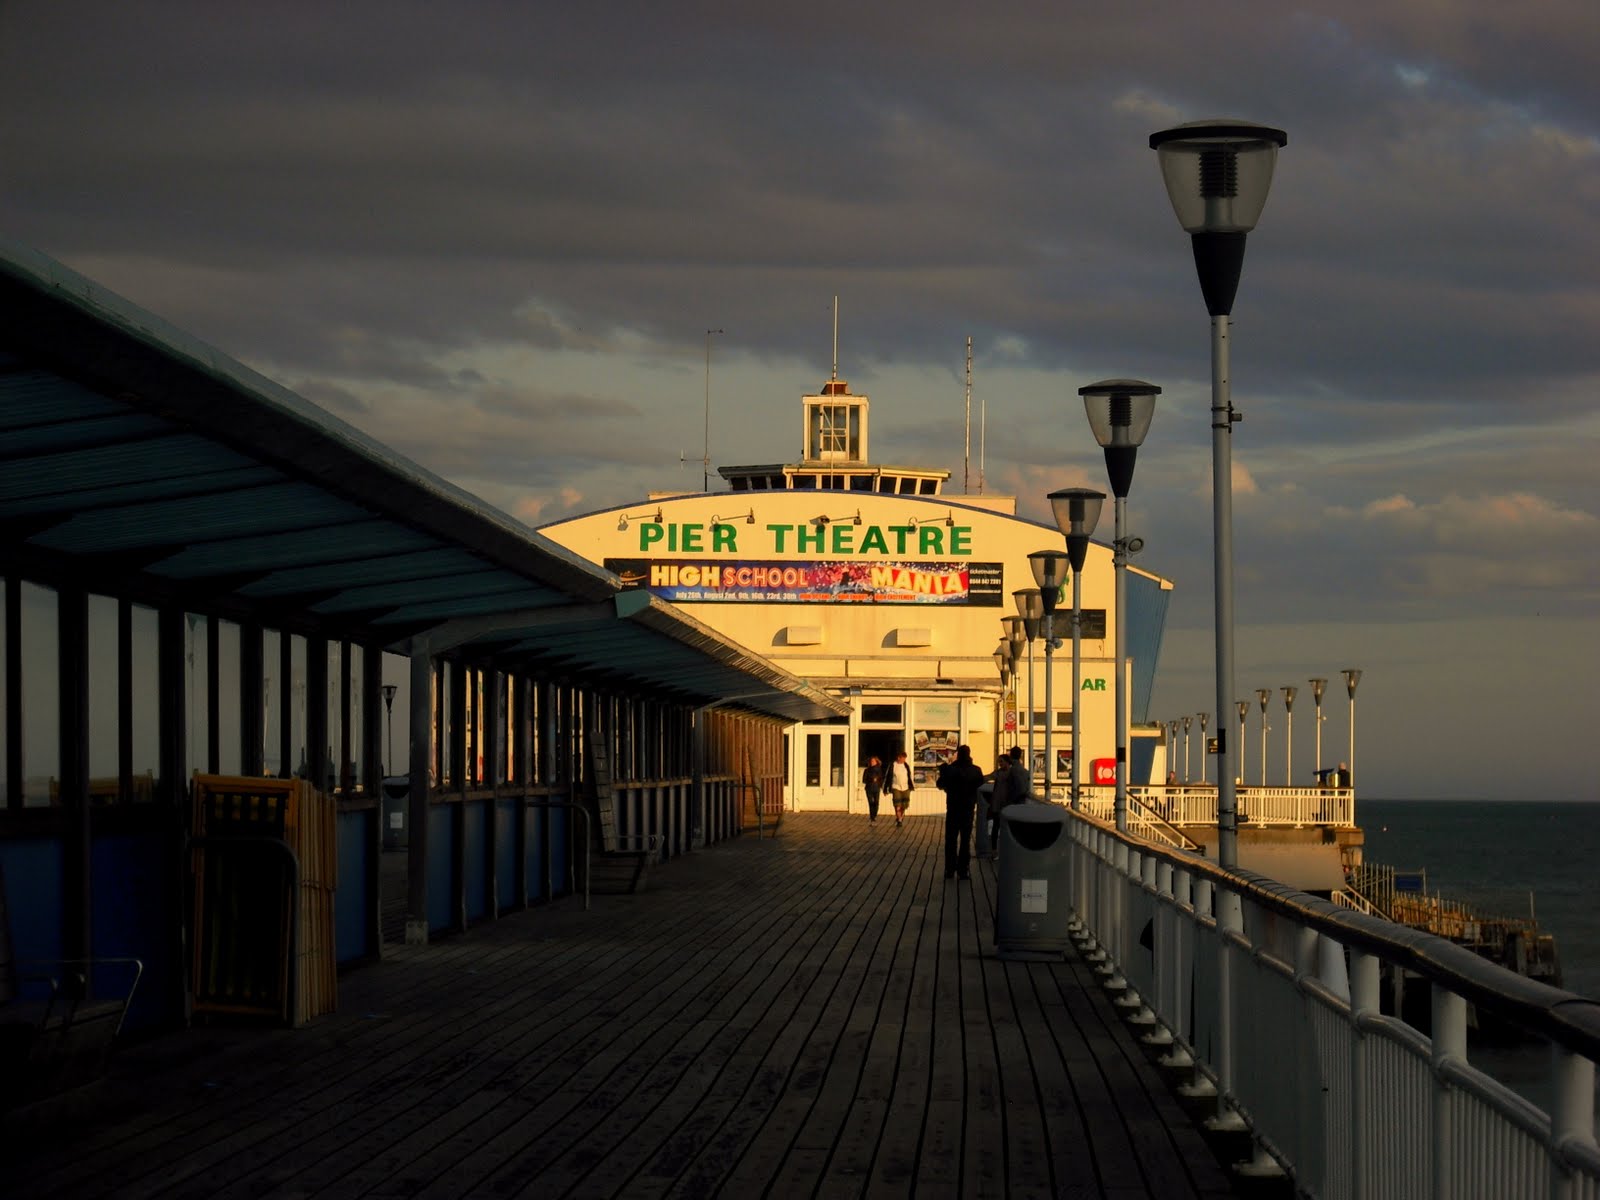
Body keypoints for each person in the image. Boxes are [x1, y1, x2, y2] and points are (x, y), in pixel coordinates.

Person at [936, 744, 985, 880]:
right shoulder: (976, 770)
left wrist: (944, 772)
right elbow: (980, 785)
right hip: (968, 809)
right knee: (965, 840)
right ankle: (963, 870)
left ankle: (949, 870)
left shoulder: (950, 769)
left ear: (958, 754)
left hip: (953, 808)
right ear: (969, 754)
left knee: (951, 840)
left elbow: (940, 785)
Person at [887, 751, 914, 827]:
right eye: (902, 758)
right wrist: (886, 788)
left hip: (906, 787)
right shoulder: (893, 765)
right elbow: (888, 777)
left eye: (905, 758)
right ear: (898, 758)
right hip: (896, 787)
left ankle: (901, 817)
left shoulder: (906, 766)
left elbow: (909, 776)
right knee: (897, 804)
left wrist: (911, 786)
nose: (904, 760)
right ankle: (899, 819)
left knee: (904, 805)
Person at [861, 755, 885, 822]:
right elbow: (864, 780)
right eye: (871, 761)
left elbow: (881, 779)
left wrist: (880, 784)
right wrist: (871, 779)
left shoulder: (879, 770)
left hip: (876, 788)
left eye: (873, 761)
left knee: (876, 802)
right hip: (869, 788)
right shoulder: (867, 770)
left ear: (876, 762)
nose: (872, 762)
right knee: (871, 802)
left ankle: (874, 814)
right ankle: (872, 817)